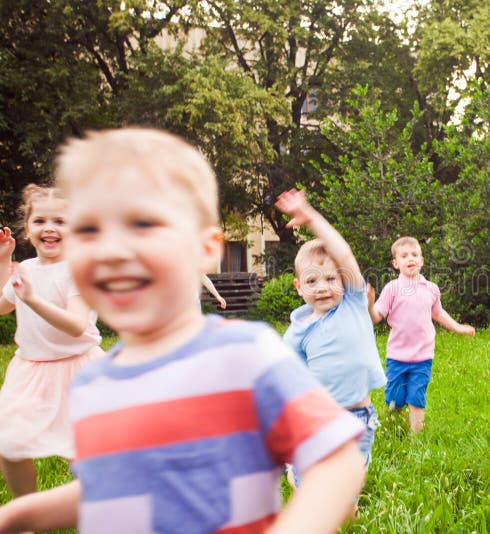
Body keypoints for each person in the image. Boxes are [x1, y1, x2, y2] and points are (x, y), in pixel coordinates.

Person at [0, 128, 365, 534]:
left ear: (206, 249)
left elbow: (337, 459)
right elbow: (114, 489)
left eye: (144, 226)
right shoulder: (92, 385)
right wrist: (19, 515)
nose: (114, 251)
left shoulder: (245, 355)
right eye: (90, 230)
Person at [278, 188, 386, 509]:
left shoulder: (352, 303)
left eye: (330, 278)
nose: (322, 287)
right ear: (299, 288)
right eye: (311, 282)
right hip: (315, 421)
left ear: (344, 279)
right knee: (312, 493)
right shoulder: (298, 330)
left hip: (357, 418)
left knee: (346, 501)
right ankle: (297, 474)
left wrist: (310, 217)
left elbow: (343, 253)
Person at [0, 185, 103, 505]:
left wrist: (31, 299)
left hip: (78, 369)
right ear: (27, 229)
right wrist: (5, 261)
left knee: (84, 454)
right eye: (40, 220)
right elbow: (3, 304)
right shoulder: (26, 269)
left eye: (60, 221)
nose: (49, 228)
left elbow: (76, 326)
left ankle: (101, 512)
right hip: (30, 372)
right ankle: (26, 515)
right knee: (9, 445)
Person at [367, 236, 475, 433]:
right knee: (395, 399)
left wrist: (458, 327)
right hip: (397, 356)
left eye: (415, 254)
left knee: (416, 396)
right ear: (395, 263)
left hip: (423, 356)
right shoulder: (392, 288)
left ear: (422, 260)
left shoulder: (431, 289)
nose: (411, 259)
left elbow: (438, 313)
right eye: (404, 255)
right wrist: (369, 303)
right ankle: (395, 426)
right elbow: (376, 316)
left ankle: (417, 437)